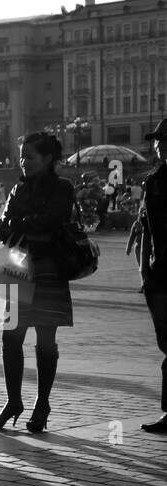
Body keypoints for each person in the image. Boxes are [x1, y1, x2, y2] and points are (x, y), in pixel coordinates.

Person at [0, 132, 75, 435]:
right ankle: (14, 401)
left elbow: (52, 222)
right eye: (22, 156)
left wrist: (19, 223)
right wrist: (23, 223)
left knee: (45, 340)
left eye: (30, 157)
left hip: (49, 268)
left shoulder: (62, 188)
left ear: (48, 158)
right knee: (9, 337)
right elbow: (2, 225)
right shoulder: (18, 188)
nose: (23, 162)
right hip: (17, 266)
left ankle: (42, 404)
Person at [132, 119, 167, 433]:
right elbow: (145, 228)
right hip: (159, 274)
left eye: (164, 140)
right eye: (159, 141)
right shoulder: (154, 181)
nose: (160, 145)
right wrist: (144, 272)